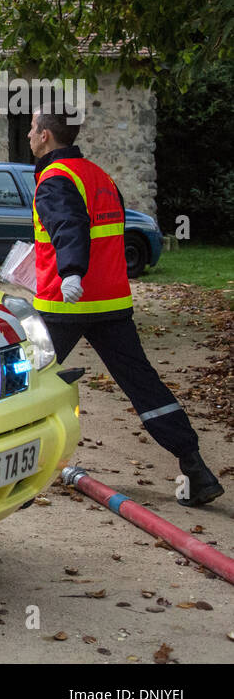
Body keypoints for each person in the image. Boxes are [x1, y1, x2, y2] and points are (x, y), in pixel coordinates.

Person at [27, 108, 223, 507]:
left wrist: (71, 273)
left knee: (26, 383)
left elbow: (69, 227)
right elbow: (101, 233)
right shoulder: (100, 176)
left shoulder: (55, 179)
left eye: (32, 128)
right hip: (111, 302)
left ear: (45, 136)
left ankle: (17, 476)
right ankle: (195, 468)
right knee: (143, 384)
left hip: (65, 302)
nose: (29, 134)